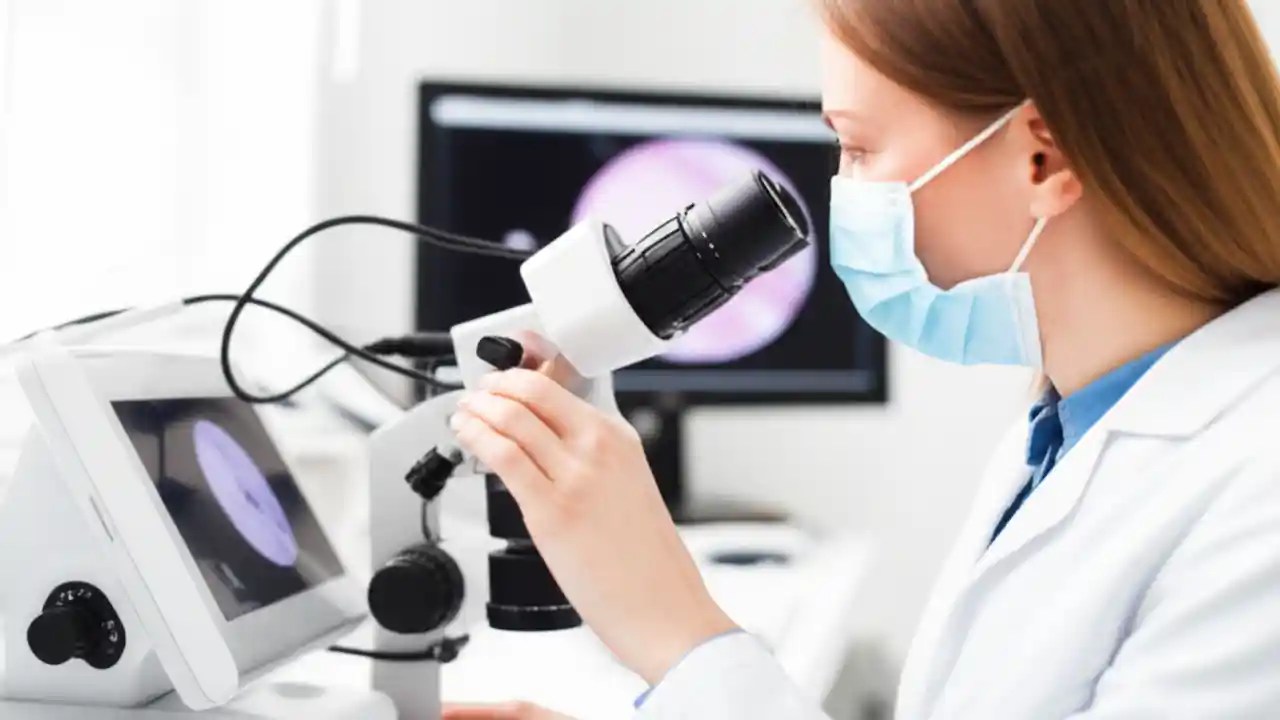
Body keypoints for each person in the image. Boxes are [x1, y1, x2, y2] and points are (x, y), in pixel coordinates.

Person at [444, 1, 1280, 717]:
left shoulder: (1257, 499)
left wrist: (674, 629)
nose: (844, 190)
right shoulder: (1075, 418)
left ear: (1044, 159)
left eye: (858, 147)